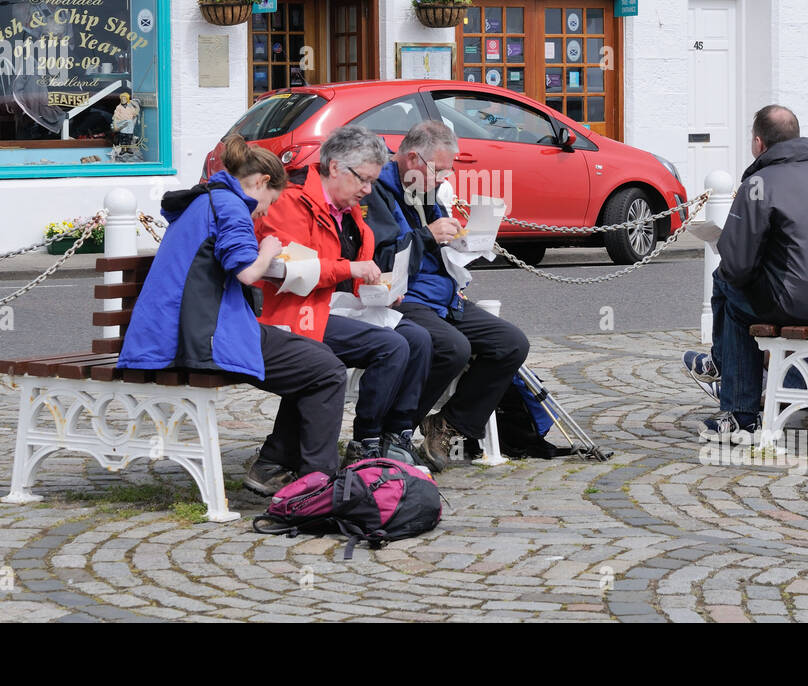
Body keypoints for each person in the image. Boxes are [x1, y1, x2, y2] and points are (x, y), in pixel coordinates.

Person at [118, 135, 348, 495]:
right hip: (197, 338)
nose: (266, 213)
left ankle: (280, 467)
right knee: (326, 370)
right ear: (261, 183)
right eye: (268, 203)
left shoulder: (206, 200)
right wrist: (268, 250)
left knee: (317, 360)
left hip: (174, 333)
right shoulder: (230, 206)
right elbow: (247, 273)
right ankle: (316, 483)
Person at [255, 126, 432, 470]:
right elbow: (293, 274)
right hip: (292, 314)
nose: (367, 191)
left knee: (418, 338)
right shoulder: (291, 203)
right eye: (363, 180)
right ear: (334, 167)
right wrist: (350, 269)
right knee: (390, 346)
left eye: (372, 182)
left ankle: (391, 436)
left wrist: (378, 293)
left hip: (332, 311)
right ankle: (364, 442)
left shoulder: (349, 212)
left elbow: (347, 281)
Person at [682, 105, 808, 440]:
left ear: (759, 144)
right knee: (734, 284)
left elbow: (737, 267)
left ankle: (738, 412)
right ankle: (768, 383)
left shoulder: (760, 183)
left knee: (727, 285)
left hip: (794, 303)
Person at [362, 121, 530, 472]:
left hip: (444, 295)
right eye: (439, 169)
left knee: (511, 343)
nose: (443, 178)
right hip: (403, 297)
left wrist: (461, 243)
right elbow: (381, 257)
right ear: (412, 158)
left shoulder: (426, 190)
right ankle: (395, 431)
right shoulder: (379, 190)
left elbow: (436, 243)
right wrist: (427, 235)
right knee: (453, 347)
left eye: (448, 170)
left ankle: (448, 425)